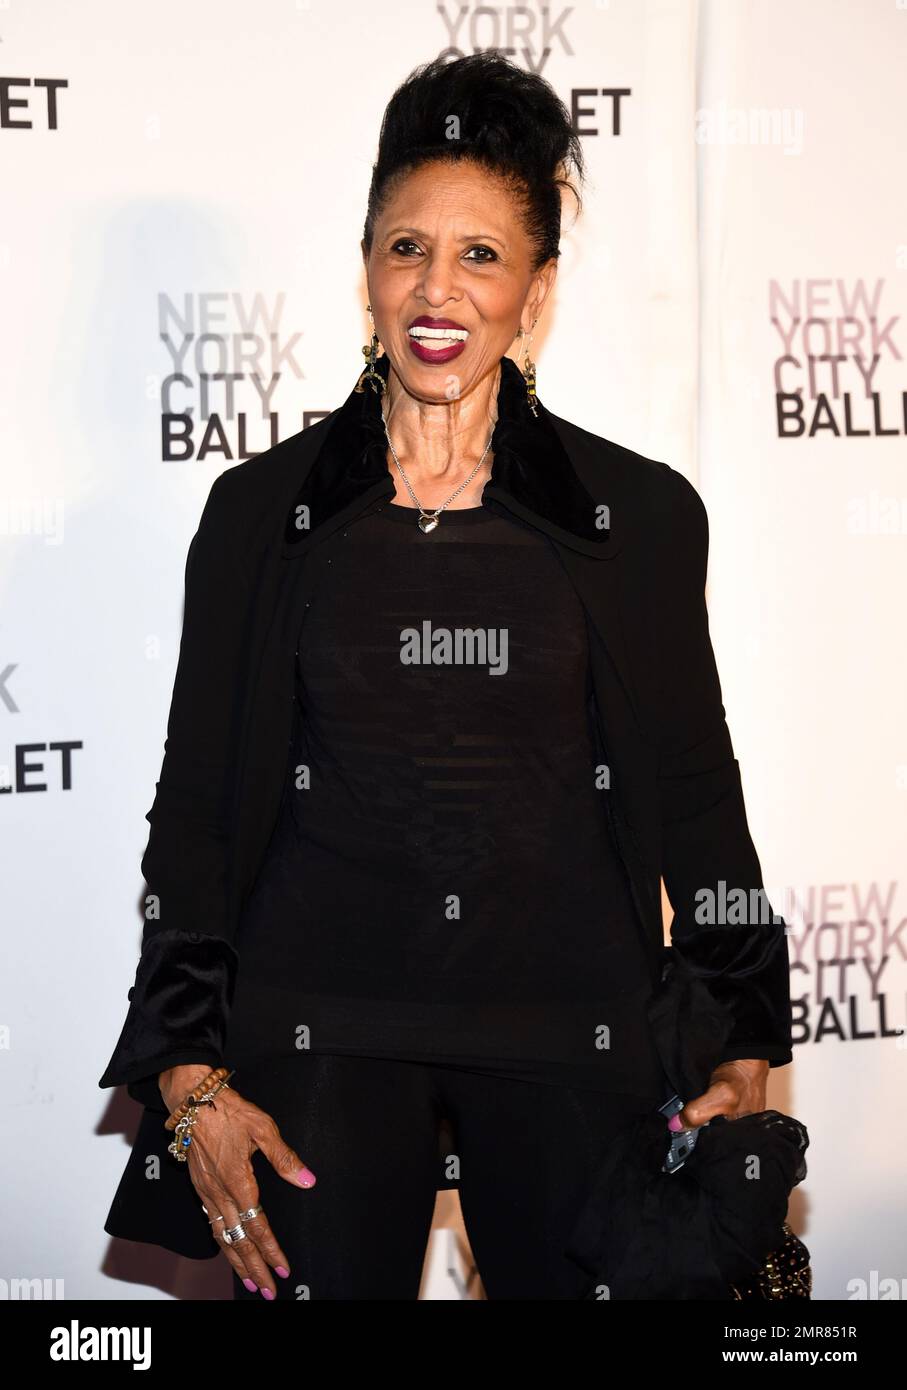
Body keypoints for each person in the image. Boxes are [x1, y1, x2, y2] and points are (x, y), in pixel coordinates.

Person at [98, 52, 793, 1301]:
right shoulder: (260, 516)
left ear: (537, 291)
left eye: (482, 255)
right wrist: (186, 1073)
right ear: (365, 268)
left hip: (569, 1030)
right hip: (321, 1036)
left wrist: (741, 1027)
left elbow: (697, 797)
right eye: (406, 245)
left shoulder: (633, 516)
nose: (438, 287)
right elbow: (195, 808)